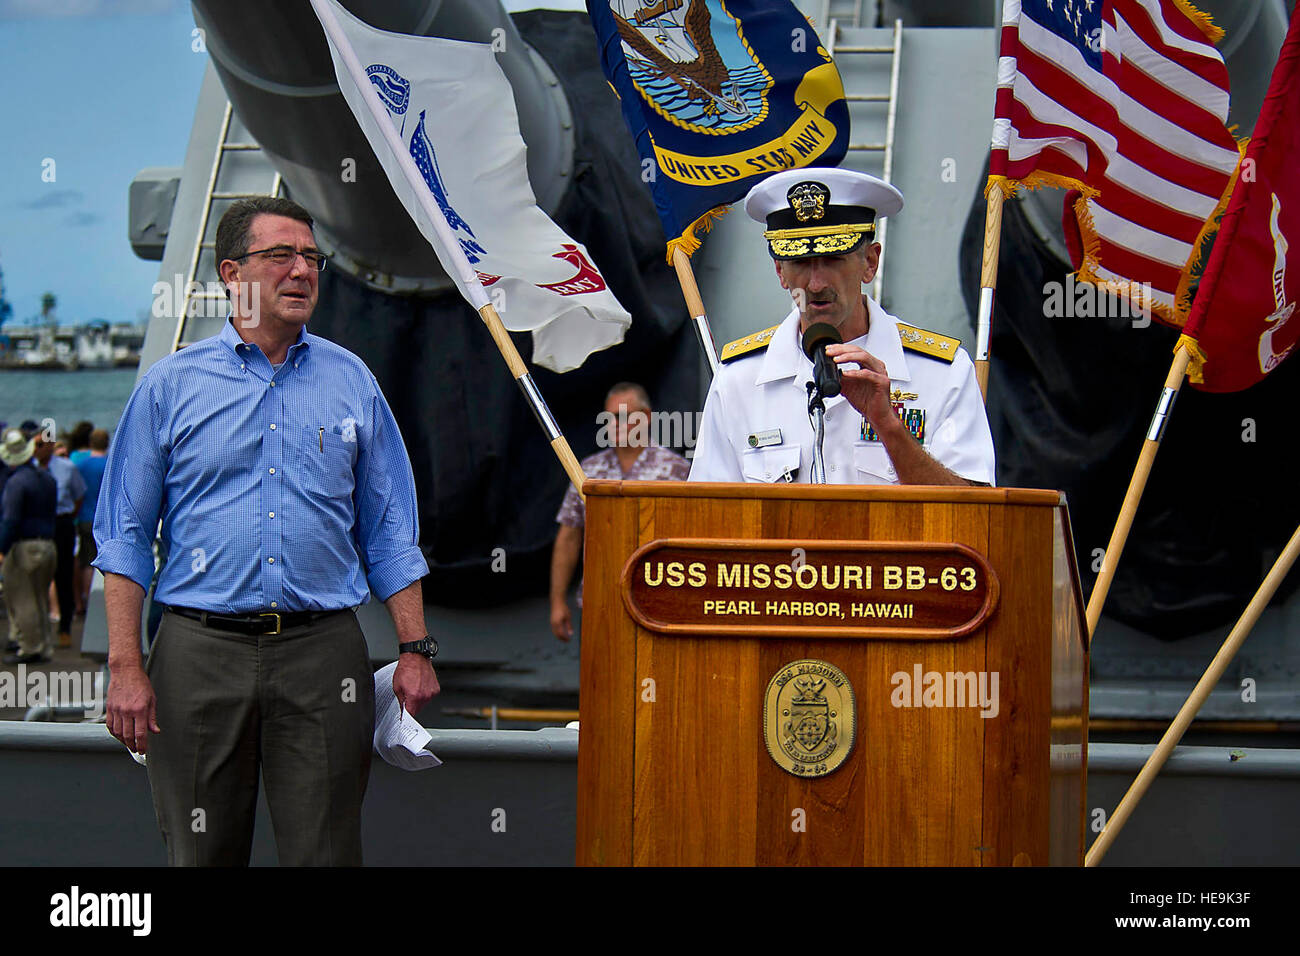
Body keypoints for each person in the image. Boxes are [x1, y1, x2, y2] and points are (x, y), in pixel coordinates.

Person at [95, 196, 439, 866]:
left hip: (324, 659)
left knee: (327, 854)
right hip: (196, 654)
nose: (302, 270)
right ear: (231, 271)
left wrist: (415, 646)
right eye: (280, 255)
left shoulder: (353, 383)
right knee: (200, 853)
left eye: (311, 257)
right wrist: (126, 665)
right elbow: (125, 539)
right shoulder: (169, 388)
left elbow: (391, 528)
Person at [688, 168, 995, 486]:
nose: (816, 284)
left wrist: (888, 424)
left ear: (870, 263)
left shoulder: (941, 373)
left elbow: (972, 513)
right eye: (800, 263)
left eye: (834, 259)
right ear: (780, 271)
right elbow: (707, 518)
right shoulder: (739, 378)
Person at [550, 383, 688, 640]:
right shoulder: (588, 471)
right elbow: (569, 536)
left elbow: (690, 541)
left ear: (645, 417)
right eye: (608, 417)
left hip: (658, 604)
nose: (613, 424)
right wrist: (557, 600)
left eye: (621, 416)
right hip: (599, 602)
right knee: (597, 678)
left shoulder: (676, 471)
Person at [0, 428, 58, 665]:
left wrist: (2, 548)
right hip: (48, 544)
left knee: (23, 600)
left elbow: (11, 520)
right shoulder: (47, 478)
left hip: (24, 545)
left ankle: (30, 647)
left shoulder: (16, 483)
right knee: (40, 597)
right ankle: (44, 645)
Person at [42, 430, 85, 647]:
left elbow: (79, 494)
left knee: (64, 576)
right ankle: (38, 629)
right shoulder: (28, 468)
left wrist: (68, 517)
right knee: (37, 576)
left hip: (61, 522)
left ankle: (65, 628)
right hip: (38, 524)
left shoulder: (67, 468)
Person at [74, 428, 109, 616]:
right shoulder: (110, 464)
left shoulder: (81, 465)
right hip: (104, 518)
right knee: (103, 562)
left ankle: (86, 600)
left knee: (86, 561)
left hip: (85, 516)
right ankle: (100, 603)